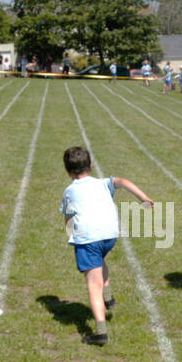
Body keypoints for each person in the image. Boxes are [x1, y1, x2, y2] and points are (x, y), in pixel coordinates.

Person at [60, 146, 155, 345]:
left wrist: (71, 233)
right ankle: (108, 298)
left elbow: (68, 216)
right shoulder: (103, 183)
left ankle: (100, 332)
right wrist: (143, 197)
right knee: (99, 260)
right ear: (91, 166)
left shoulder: (69, 191)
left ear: (68, 171)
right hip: (110, 234)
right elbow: (123, 182)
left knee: (92, 282)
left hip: (89, 237)